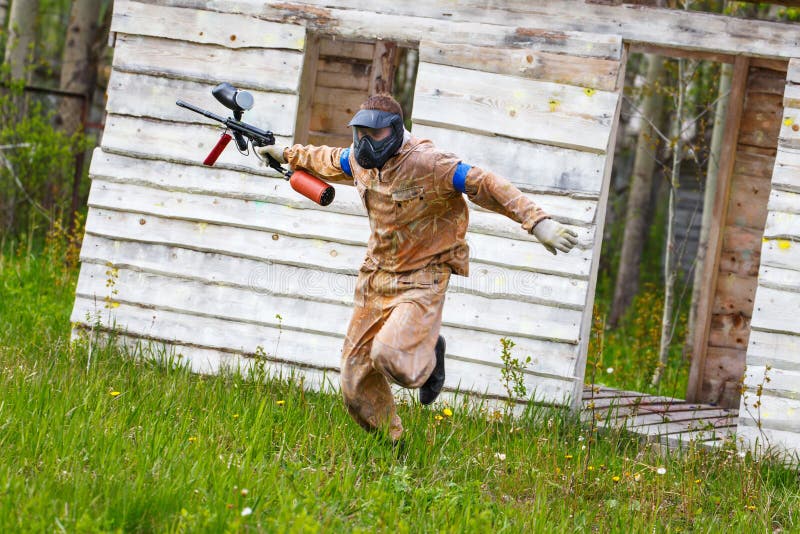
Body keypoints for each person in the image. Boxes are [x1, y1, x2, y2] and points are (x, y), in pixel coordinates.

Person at [256, 93, 578, 443]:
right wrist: (286, 154)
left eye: (373, 134)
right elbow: (330, 159)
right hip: (375, 277)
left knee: (390, 357)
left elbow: (485, 183)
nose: (365, 141)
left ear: (394, 130)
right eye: (360, 133)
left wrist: (538, 222)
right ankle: (394, 446)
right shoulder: (361, 161)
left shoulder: (430, 163)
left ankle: (429, 359)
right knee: (354, 380)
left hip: (423, 276)